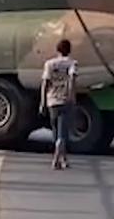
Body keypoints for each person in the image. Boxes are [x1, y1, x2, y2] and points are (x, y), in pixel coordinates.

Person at [39, 38, 78, 170]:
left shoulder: (49, 64)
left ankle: (63, 159)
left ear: (57, 50)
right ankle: (56, 160)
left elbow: (45, 83)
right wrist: (72, 97)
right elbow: (72, 80)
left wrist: (42, 102)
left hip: (52, 101)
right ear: (69, 50)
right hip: (65, 100)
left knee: (56, 132)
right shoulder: (72, 63)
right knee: (63, 133)